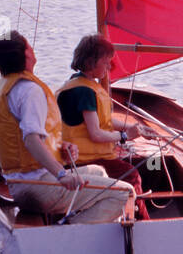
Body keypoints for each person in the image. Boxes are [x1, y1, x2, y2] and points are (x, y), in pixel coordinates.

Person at [0, 30, 135, 224]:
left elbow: (24, 140)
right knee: (125, 192)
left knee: (98, 171)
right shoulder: (30, 90)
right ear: (26, 54)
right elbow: (31, 140)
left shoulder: (3, 89)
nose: (32, 49)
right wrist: (61, 174)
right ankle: (70, 230)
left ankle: (84, 224)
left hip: (18, 185)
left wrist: (60, 146)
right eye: (29, 45)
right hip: (38, 187)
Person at [57, 33, 146, 164]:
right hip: (84, 159)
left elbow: (105, 121)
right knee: (132, 174)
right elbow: (96, 134)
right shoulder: (84, 92)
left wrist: (136, 129)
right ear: (91, 63)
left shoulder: (79, 83)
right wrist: (125, 136)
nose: (109, 67)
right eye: (106, 62)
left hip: (83, 156)